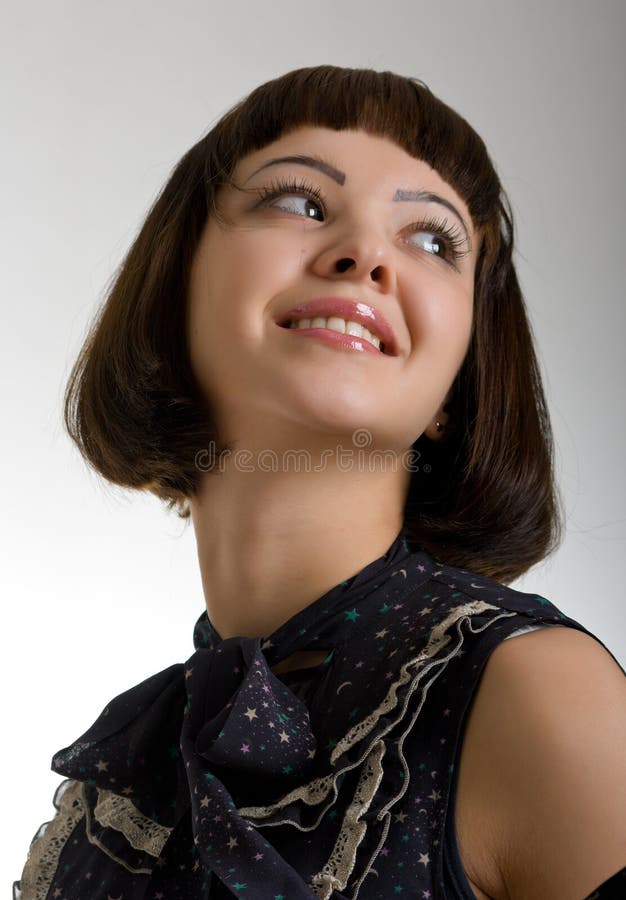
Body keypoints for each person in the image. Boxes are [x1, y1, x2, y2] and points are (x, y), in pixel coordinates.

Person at [15, 65, 626, 900]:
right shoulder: (113, 790)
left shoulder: (534, 699)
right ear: (174, 290)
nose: (366, 254)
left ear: (457, 386)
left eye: (432, 239)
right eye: (301, 202)